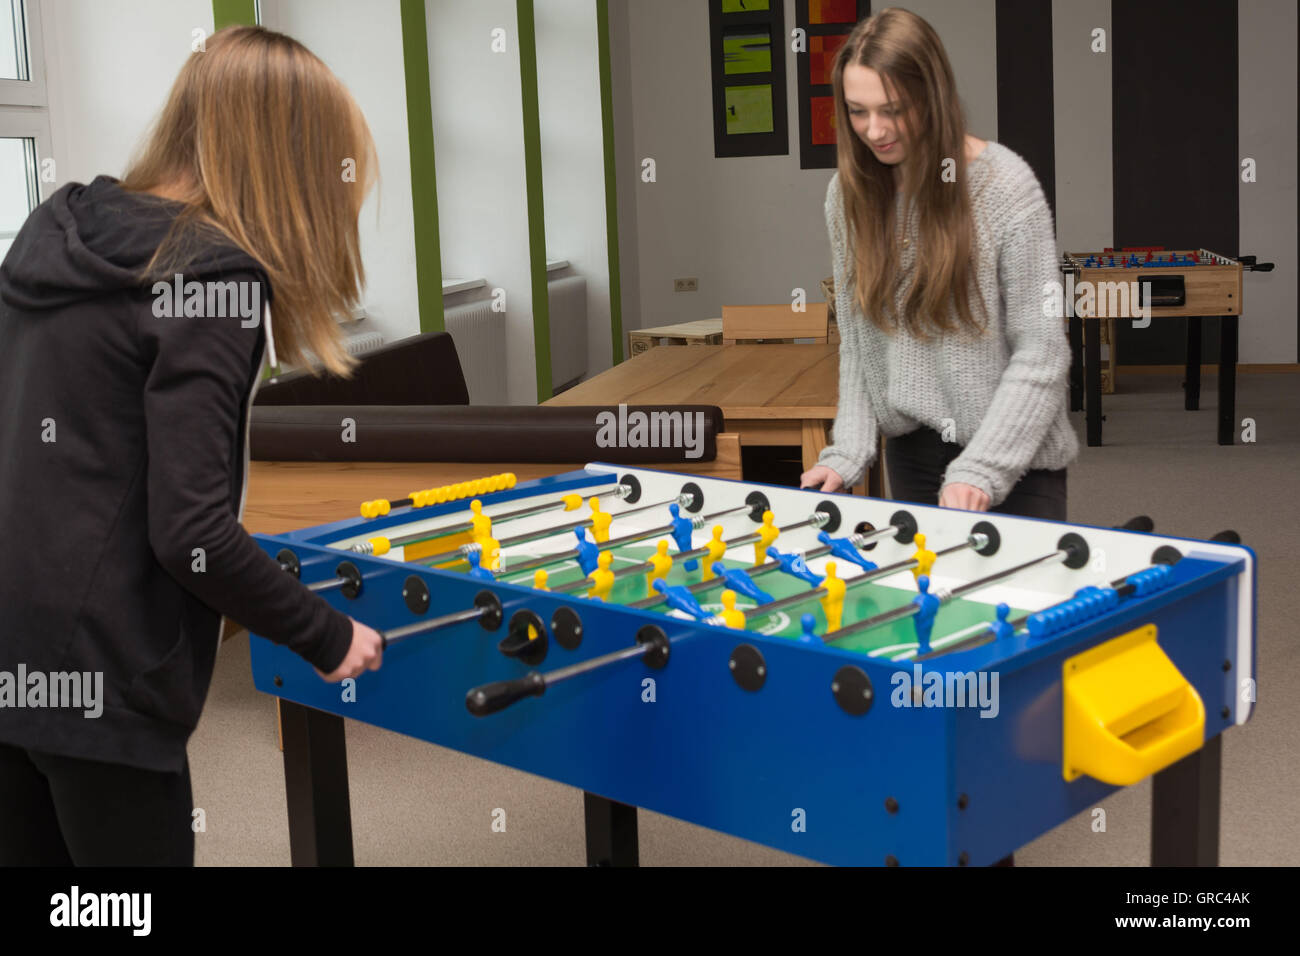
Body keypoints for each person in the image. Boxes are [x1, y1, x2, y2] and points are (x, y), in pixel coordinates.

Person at [0, 26, 385, 865]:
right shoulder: (213, 279)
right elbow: (193, 533)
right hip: (103, 686)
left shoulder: (50, 233)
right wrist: (325, 634)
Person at [800, 8, 1078, 521]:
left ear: (933, 96)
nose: (875, 130)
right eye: (858, 111)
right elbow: (860, 344)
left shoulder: (1004, 186)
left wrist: (982, 467)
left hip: (1013, 450)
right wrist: (848, 451)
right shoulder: (847, 196)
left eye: (893, 109)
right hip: (914, 454)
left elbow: (1043, 352)